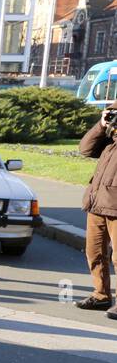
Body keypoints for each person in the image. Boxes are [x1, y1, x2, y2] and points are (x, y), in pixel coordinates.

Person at [75, 101, 117, 315]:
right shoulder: (110, 138)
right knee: (94, 252)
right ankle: (101, 295)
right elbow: (85, 149)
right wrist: (102, 125)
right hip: (98, 202)